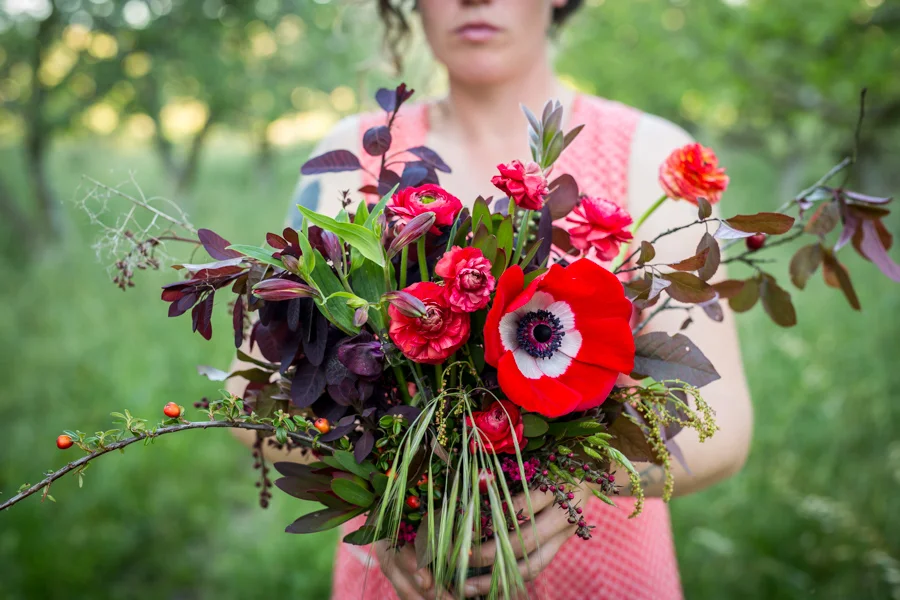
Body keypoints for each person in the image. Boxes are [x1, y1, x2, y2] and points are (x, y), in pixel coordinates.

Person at [231, 1, 753, 598]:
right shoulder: (355, 158)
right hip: (402, 579)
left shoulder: (653, 157)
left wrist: (589, 476)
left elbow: (725, 429)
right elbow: (246, 390)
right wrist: (380, 495)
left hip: (604, 576)